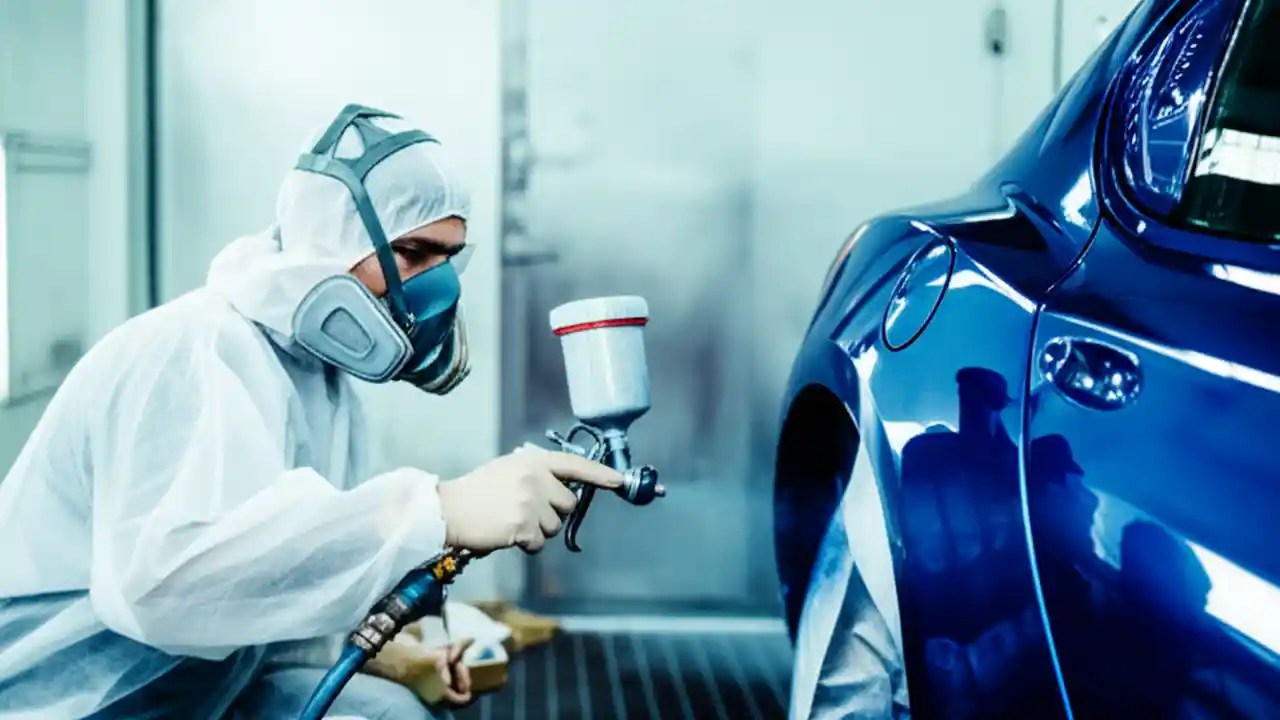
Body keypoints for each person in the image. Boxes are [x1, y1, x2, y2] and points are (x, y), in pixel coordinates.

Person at [0, 104, 621, 719]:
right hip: (68, 703)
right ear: (330, 246)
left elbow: (274, 590)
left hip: (197, 693)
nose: (440, 288)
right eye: (413, 253)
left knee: (388, 711)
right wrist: (437, 510)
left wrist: (394, 655)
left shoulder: (325, 387)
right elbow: (166, 590)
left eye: (448, 260)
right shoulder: (191, 351)